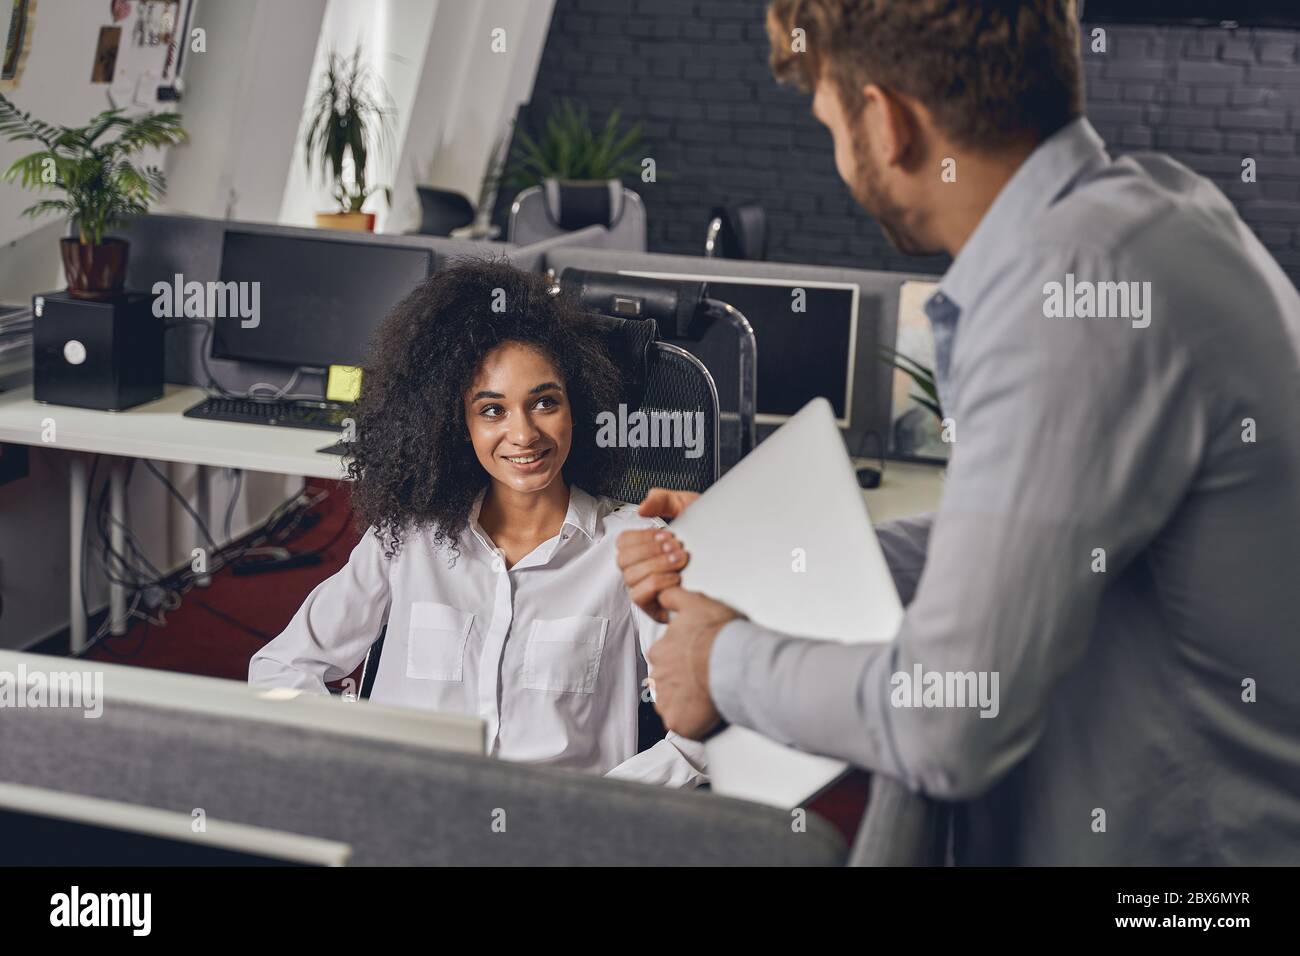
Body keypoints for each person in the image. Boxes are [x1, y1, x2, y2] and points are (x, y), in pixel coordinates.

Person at [618, 0, 1300, 863]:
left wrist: (719, 667)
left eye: (832, 123)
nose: (839, 161)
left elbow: (950, 715)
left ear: (888, 121)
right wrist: (766, 546)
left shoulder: (1069, 292)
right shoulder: (1155, 218)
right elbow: (1038, 537)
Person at [250, 259, 705, 787]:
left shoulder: (634, 547)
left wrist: (601, 812)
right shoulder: (407, 542)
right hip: (412, 817)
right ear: (457, 425)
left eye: (544, 402)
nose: (524, 434)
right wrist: (358, 763)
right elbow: (281, 669)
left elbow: (701, 737)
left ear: (576, 409)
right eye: (492, 410)